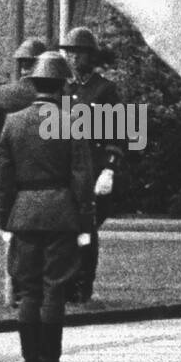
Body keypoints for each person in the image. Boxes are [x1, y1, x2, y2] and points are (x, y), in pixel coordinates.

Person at [0, 51, 95, 362]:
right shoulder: (72, 122)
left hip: (23, 214)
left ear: (34, 83)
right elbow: (81, 179)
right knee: (54, 291)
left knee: (29, 292)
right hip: (61, 214)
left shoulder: (13, 122)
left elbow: (4, 180)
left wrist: (4, 222)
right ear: (62, 86)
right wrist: (85, 225)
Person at [59, 25, 124, 303]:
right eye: (70, 53)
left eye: (79, 53)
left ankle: (83, 283)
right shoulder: (64, 88)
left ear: (90, 56)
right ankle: (68, 282)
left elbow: (119, 134)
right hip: (69, 170)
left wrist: (109, 169)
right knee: (67, 230)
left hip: (95, 169)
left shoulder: (105, 90)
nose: (74, 59)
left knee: (87, 229)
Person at [0, 35, 47, 308]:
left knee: (12, 233)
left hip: (12, 167)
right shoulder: (54, 96)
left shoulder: (5, 93)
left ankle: (10, 290)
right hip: (45, 172)